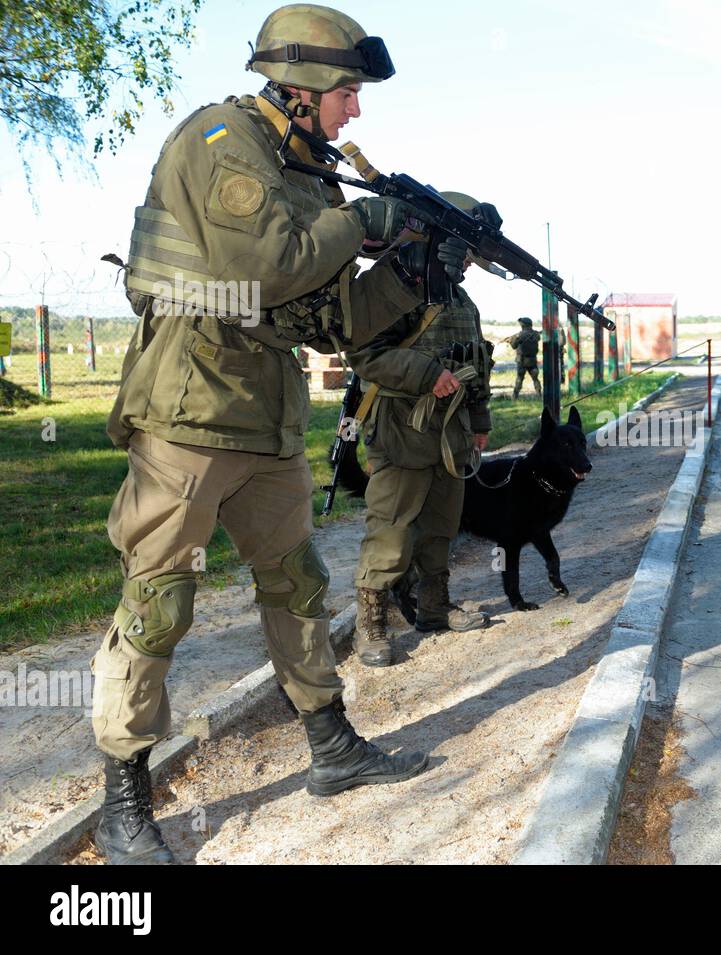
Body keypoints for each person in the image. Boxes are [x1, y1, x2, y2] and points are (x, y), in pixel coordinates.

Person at [90, 4, 472, 864]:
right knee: (159, 600)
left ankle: (331, 746)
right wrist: (373, 223)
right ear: (298, 88)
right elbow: (264, 264)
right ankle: (123, 800)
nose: (356, 111)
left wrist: (414, 268)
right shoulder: (222, 139)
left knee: (297, 582)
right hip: (187, 409)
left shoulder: (309, 174)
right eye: (346, 92)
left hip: (266, 414)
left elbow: (335, 322)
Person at [350, 192, 498, 667]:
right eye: (461, 253)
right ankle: (370, 624)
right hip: (400, 426)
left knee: (440, 526)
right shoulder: (397, 291)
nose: (467, 266)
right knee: (392, 527)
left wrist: (480, 423)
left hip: (450, 431)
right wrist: (425, 374)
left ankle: (433, 609)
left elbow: (475, 363)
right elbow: (364, 353)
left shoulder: (462, 301)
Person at [506, 316, 541, 398]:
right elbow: (537, 338)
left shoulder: (520, 335)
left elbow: (514, 346)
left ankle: (515, 396)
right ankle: (539, 395)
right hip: (532, 360)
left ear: (523, 325)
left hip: (521, 361)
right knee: (535, 379)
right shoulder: (535, 334)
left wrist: (510, 341)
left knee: (519, 379)